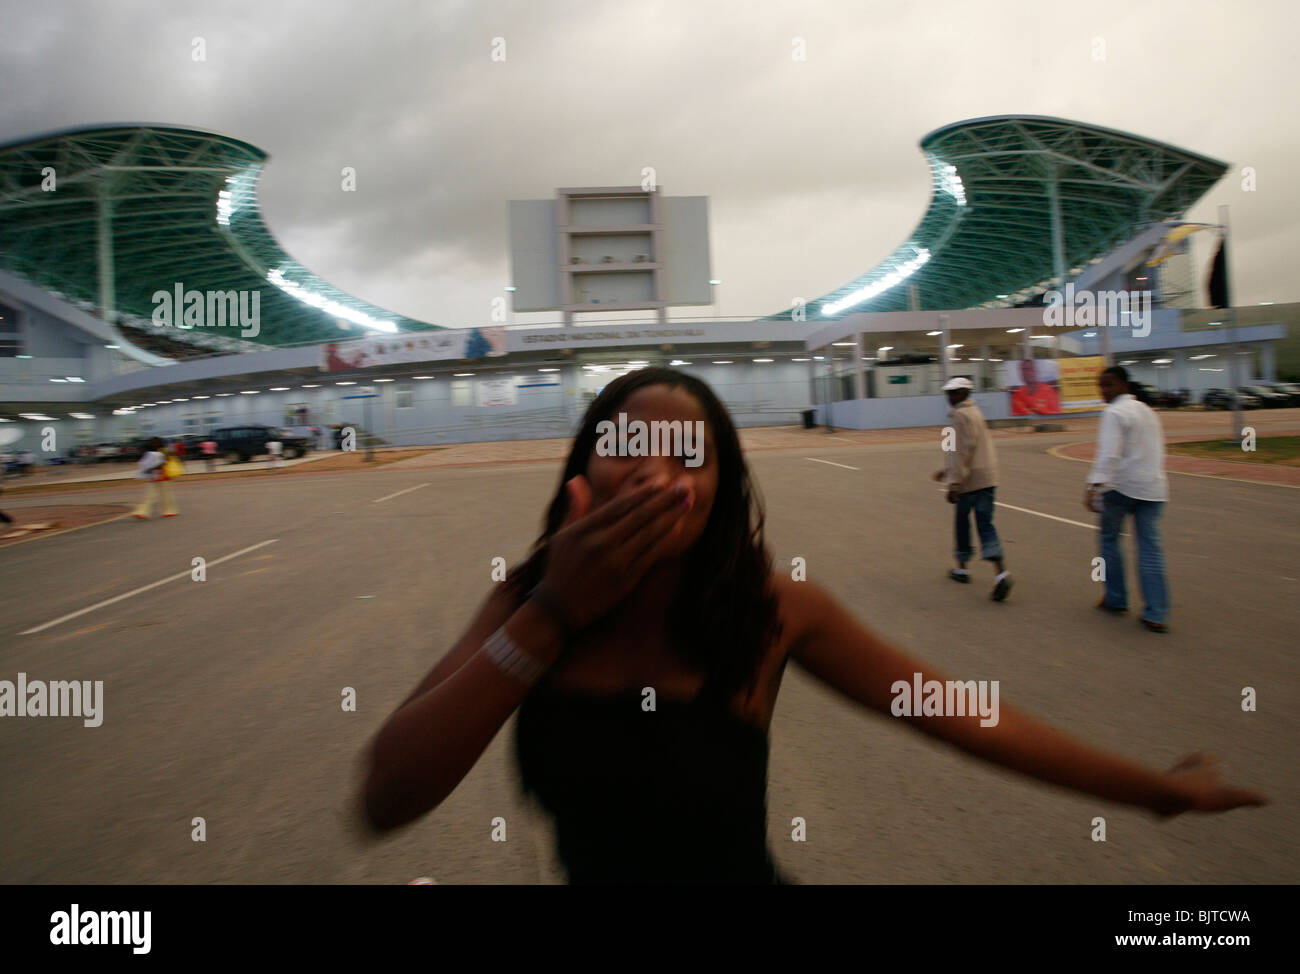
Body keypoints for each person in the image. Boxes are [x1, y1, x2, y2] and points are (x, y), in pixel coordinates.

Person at [359, 368, 1262, 884]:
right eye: (626, 444)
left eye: (687, 454)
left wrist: (1152, 790)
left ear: (719, 493)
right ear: (582, 468)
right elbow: (386, 796)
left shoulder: (774, 613)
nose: (654, 472)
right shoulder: (521, 601)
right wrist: (553, 615)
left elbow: (964, 716)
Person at [1085, 365, 1170, 632]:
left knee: (1110, 540)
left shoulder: (1113, 413)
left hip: (1121, 488)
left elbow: (1109, 453)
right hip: (1153, 488)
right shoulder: (1147, 411)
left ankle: (1116, 598)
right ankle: (1156, 613)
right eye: (1101, 386)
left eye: (1108, 385)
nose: (1104, 391)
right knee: (1149, 549)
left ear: (1124, 385)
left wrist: (1094, 485)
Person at [933, 377, 1011, 601]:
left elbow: (961, 452)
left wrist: (954, 483)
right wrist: (945, 471)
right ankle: (1001, 573)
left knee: (962, 523)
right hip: (987, 478)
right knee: (986, 526)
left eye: (953, 393)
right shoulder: (976, 412)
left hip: (969, 482)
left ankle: (963, 568)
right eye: (948, 393)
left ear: (961, 394)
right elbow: (969, 449)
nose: (949, 397)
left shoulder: (959, 415)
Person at [132, 438, 178, 519]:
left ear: (160, 443)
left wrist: (152, 468)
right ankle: (142, 512)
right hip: (152, 476)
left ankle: (169, 511)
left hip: (163, 476)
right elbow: (144, 462)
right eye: (152, 442)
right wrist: (147, 469)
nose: (154, 444)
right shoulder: (148, 452)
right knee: (149, 495)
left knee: (166, 495)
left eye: (156, 442)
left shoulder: (164, 451)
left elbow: (165, 462)